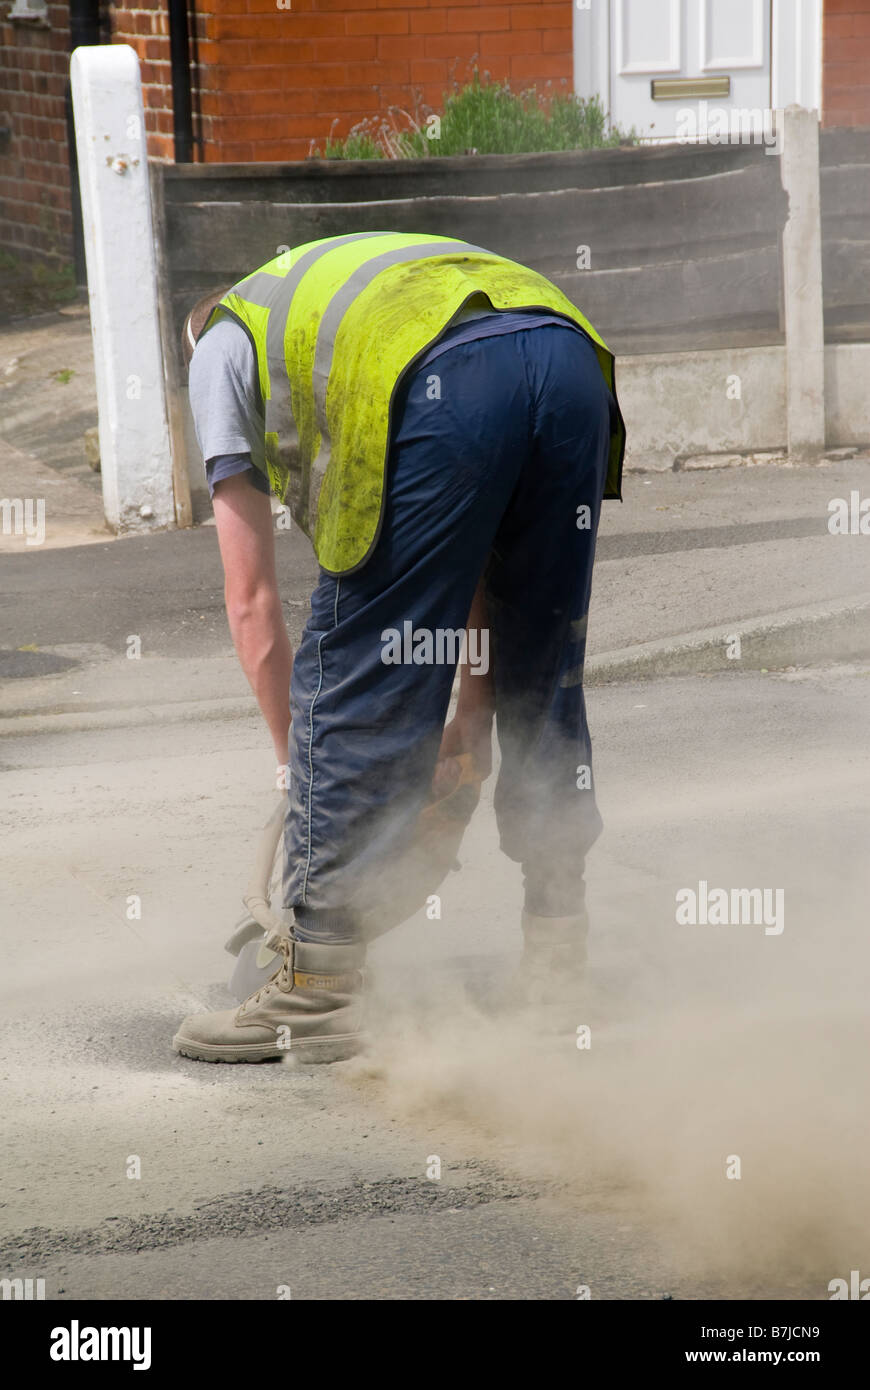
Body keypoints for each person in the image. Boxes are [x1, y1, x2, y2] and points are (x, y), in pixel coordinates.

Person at [172, 231, 625, 1064]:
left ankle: (316, 993)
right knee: (545, 663)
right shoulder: (330, 292)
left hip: (442, 384)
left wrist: (299, 770)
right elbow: (489, 555)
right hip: (568, 360)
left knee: (357, 663)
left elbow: (253, 603)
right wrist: (474, 715)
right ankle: (559, 965)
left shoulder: (218, 349)